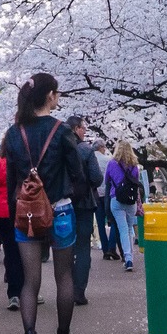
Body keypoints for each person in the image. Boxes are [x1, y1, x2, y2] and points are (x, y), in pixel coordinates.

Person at [2, 72, 83, 334]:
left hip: (26, 215)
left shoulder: (13, 133)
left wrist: (17, 204)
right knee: (64, 276)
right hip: (60, 210)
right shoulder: (62, 131)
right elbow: (77, 173)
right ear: (50, 96)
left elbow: (11, 178)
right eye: (57, 93)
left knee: (30, 281)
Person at [0, 132, 27, 309]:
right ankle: (28, 289)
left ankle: (14, 293)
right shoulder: (27, 162)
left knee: (10, 251)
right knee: (26, 251)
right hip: (24, 210)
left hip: (2, 212)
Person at [66, 114, 99, 305]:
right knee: (83, 246)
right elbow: (97, 178)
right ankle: (79, 291)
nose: (85, 131)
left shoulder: (58, 149)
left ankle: (66, 289)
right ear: (76, 129)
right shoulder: (86, 149)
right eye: (83, 128)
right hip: (84, 203)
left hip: (63, 204)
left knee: (65, 246)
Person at [106, 142, 145, 271]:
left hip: (116, 199)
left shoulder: (112, 164)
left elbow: (106, 180)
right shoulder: (134, 166)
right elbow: (136, 182)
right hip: (131, 201)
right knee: (129, 229)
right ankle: (130, 258)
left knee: (122, 229)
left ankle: (127, 258)